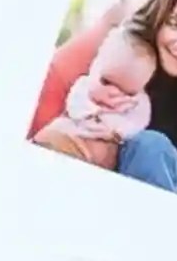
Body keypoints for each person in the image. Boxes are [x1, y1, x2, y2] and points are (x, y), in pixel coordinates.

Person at [28, 0, 177, 195]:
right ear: (160, 17)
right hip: (89, 166)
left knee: (149, 146)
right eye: (176, 23)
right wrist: (94, 84)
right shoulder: (126, 49)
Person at [31, 25, 156, 169]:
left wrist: (116, 132)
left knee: (107, 154)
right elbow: (74, 105)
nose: (113, 94)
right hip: (76, 130)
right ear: (95, 66)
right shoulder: (87, 84)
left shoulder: (140, 102)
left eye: (127, 92)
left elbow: (138, 123)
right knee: (56, 128)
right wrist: (93, 109)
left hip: (107, 144)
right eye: (106, 82)